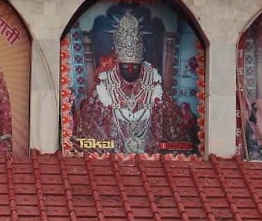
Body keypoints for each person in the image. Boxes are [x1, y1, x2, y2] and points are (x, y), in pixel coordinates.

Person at [74, 10, 197, 156]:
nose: (131, 71)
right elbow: (89, 138)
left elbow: (172, 136)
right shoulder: (103, 88)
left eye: (136, 66)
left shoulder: (153, 83)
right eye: (125, 66)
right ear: (118, 63)